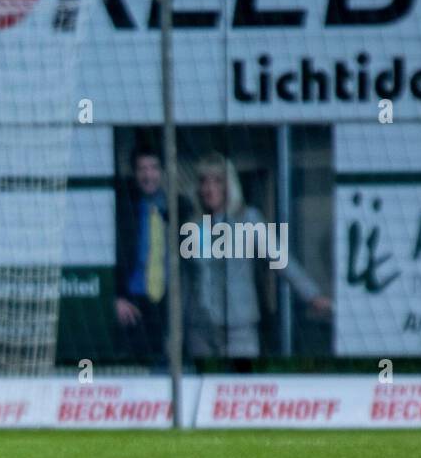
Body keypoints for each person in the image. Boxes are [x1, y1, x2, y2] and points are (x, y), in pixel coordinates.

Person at [184, 152, 331, 359]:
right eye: (204, 182)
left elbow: (279, 258)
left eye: (217, 181)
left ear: (229, 185)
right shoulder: (192, 225)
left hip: (239, 325)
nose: (209, 189)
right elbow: (184, 277)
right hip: (200, 326)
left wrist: (312, 295)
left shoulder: (248, 219)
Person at [114, 145, 186, 363]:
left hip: (167, 302)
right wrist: (115, 296)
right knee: (132, 367)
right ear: (134, 173)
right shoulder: (122, 208)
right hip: (132, 303)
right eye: (142, 169)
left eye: (153, 168)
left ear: (163, 171)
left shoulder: (179, 208)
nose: (148, 175)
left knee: (166, 365)